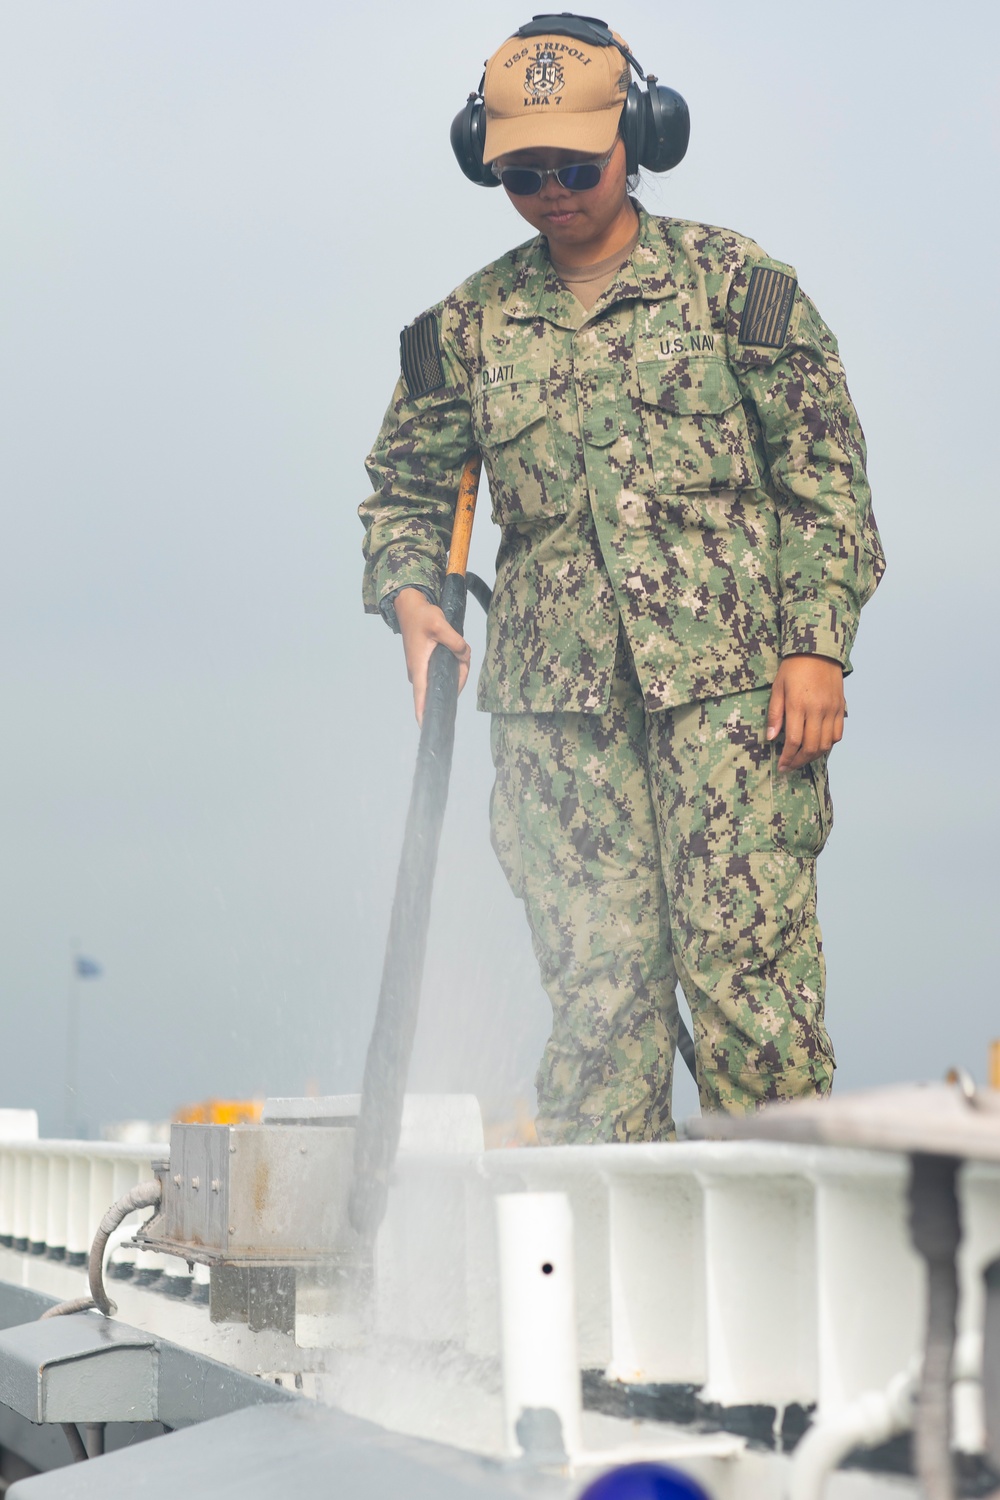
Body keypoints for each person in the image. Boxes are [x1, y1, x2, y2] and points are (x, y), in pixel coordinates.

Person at [359, 15, 884, 1144]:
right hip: (559, 722)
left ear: (638, 139)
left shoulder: (737, 289)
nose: (552, 192)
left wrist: (814, 646)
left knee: (753, 1005)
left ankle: (780, 1280)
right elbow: (406, 487)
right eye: (521, 174)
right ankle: (599, 1307)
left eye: (575, 167)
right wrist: (411, 600)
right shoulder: (463, 329)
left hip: (738, 707)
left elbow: (825, 479)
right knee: (600, 1016)